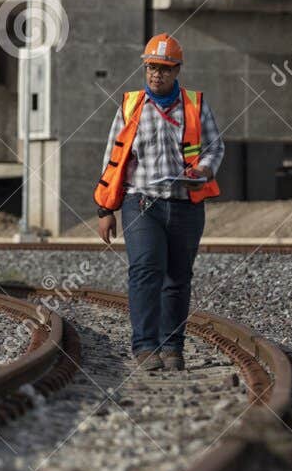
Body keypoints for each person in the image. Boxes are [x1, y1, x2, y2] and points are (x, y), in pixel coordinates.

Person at [93, 34, 225, 371]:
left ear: (177, 69)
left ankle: (172, 348)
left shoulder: (195, 104)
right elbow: (113, 159)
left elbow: (214, 147)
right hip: (142, 203)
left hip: (185, 203)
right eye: (151, 67)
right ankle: (145, 347)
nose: (156, 75)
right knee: (145, 270)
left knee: (178, 277)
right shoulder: (130, 106)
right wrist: (106, 209)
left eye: (164, 69)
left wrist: (205, 169)